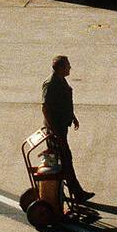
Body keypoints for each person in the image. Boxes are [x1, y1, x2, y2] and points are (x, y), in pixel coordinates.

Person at [41, 55, 93, 201]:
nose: (70, 68)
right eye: (67, 66)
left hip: (61, 128)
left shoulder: (60, 80)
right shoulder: (51, 84)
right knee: (65, 160)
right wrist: (54, 131)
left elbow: (63, 103)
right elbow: (45, 107)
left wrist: (72, 116)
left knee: (63, 161)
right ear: (60, 68)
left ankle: (65, 193)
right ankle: (76, 193)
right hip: (55, 131)